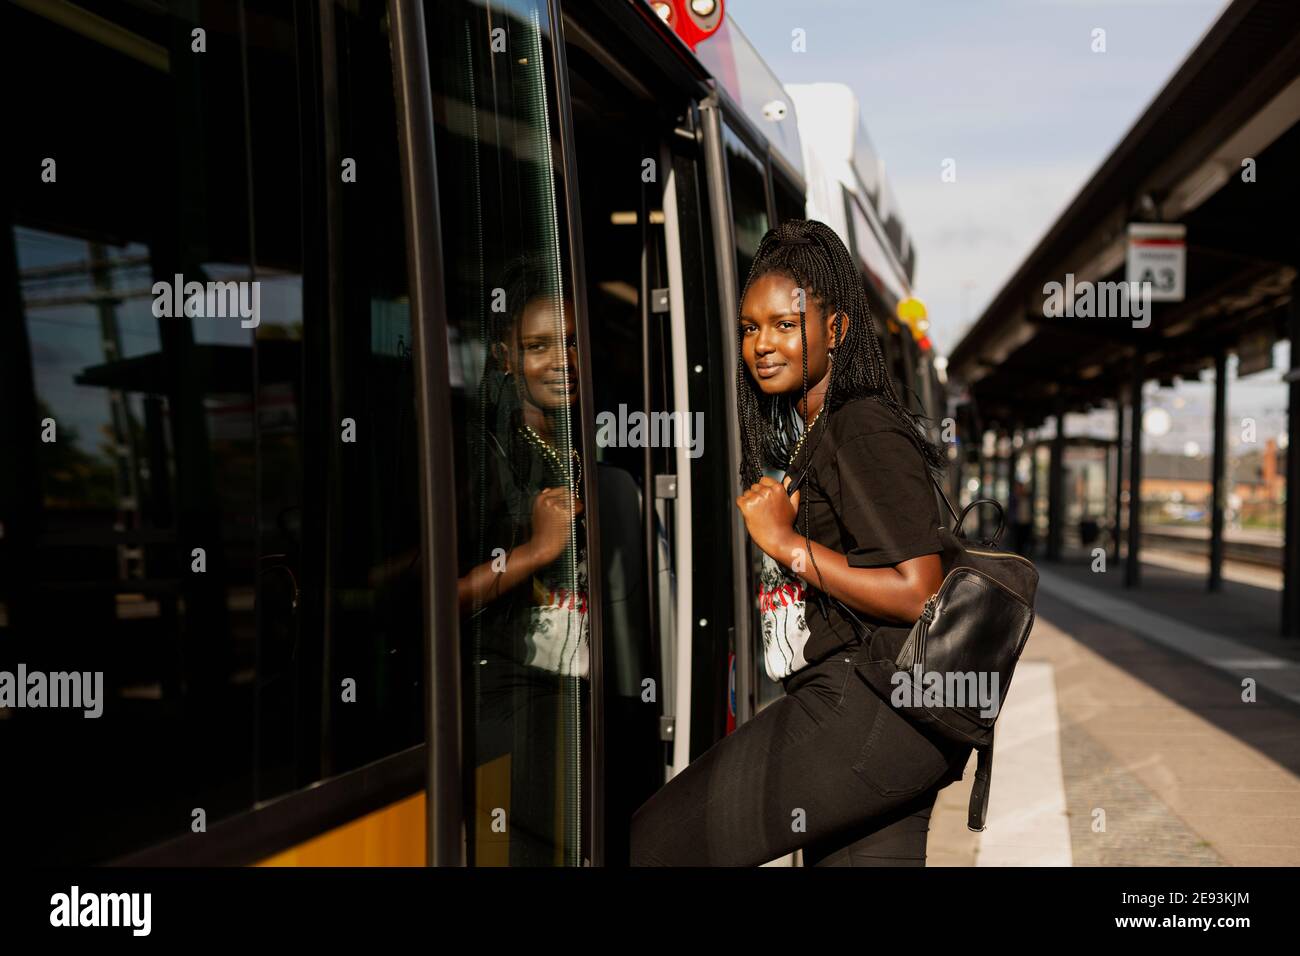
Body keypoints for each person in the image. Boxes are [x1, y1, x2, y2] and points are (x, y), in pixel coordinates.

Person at [629, 219, 973, 866]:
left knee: (651, 848)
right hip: (885, 724)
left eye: (785, 325)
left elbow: (918, 591)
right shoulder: (821, 431)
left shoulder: (859, 427)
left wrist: (785, 543)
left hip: (862, 708)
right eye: (750, 328)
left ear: (835, 330)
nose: (762, 345)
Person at [458, 254, 589, 866]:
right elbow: (433, 598)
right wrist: (535, 552)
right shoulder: (479, 454)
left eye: (569, 343)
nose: (560, 362)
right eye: (538, 346)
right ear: (503, 357)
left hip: (569, 698)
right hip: (506, 706)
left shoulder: (577, 442)